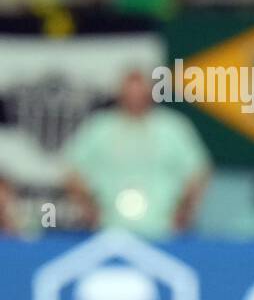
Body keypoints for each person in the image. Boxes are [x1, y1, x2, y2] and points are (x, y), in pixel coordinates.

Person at [63, 69, 211, 239]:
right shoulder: (99, 127)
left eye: (140, 92)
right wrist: (90, 211)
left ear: (150, 93)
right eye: (130, 92)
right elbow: (71, 171)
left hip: (163, 231)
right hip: (108, 229)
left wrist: (183, 214)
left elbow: (198, 172)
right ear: (120, 94)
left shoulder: (172, 127)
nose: (135, 98)